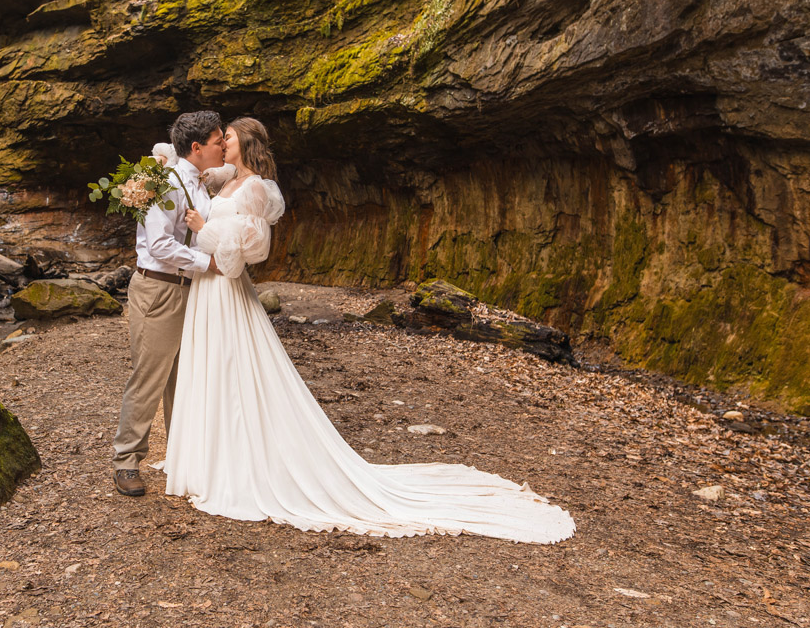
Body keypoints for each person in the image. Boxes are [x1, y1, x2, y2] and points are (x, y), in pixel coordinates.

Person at [159, 117, 577, 543]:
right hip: (207, 290)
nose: (221, 143)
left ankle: (237, 465)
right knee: (212, 370)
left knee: (234, 372)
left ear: (245, 143)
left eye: (226, 137)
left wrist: (204, 231)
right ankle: (209, 459)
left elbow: (247, 254)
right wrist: (164, 168)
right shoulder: (227, 180)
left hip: (225, 288)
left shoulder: (252, 189)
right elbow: (185, 161)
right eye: (218, 139)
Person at [110, 111, 227, 497]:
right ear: (196, 147)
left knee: (183, 375)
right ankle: (126, 460)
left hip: (190, 289)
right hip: (159, 289)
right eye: (218, 141)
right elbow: (159, 245)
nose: (224, 146)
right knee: (150, 376)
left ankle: (181, 457)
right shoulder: (164, 182)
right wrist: (208, 263)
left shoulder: (200, 181)